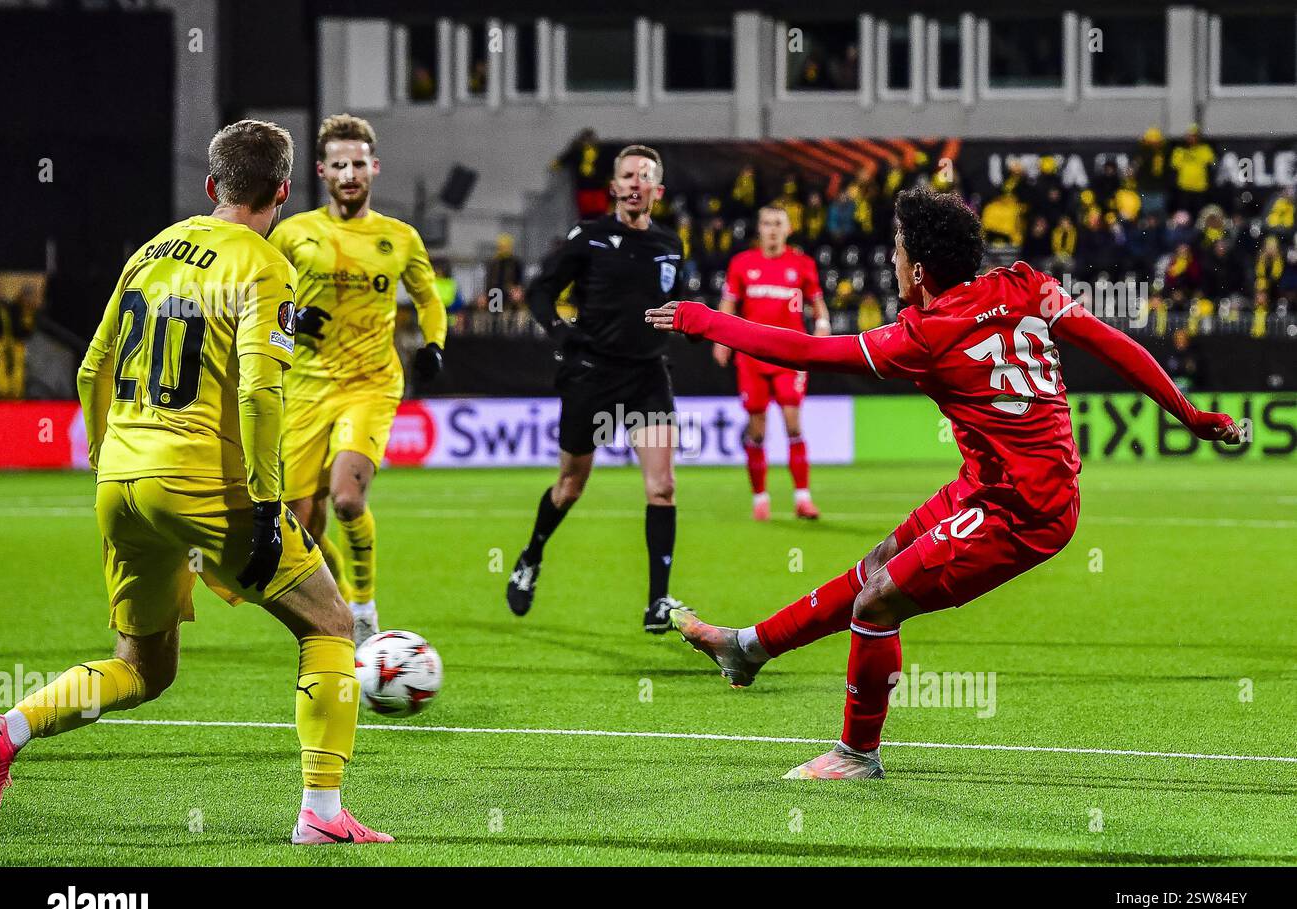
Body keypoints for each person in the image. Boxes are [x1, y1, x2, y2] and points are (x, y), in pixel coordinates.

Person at [645, 187, 1239, 780]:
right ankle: (747, 647)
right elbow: (1116, 345)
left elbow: (802, 350)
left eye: (898, 250)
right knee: (881, 560)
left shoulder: (922, 337)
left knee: (878, 602)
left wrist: (703, 319)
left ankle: (856, 755)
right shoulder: (1024, 285)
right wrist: (1191, 415)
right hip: (988, 483)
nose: (892, 261)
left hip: (1024, 509)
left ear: (919, 269)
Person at [0, 120, 391, 842]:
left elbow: (92, 368)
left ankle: (6, 732)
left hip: (122, 480)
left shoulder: (150, 250)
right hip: (202, 481)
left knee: (143, 670)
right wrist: (269, 507)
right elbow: (260, 395)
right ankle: (322, 815)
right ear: (282, 191)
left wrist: (105, 455)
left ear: (212, 187)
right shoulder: (265, 264)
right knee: (331, 623)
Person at [270, 114, 448, 644]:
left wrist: (434, 345)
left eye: (358, 163)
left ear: (374, 167)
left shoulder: (399, 238)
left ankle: (365, 608)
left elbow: (429, 300)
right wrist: (293, 318)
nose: (350, 173)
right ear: (322, 171)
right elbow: (260, 295)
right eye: (338, 164)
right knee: (303, 526)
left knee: (348, 499)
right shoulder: (292, 234)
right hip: (304, 388)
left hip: (370, 383)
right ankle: (342, 600)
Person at [507, 145, 690, 632]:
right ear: (613, 187)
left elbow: (680, 302)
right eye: (626, 175)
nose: (634, 183)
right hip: (593, 374)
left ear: (657, 190)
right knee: (570, 487)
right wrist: (561, 332)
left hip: (648, 374)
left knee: (663, 487)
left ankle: (658, 601)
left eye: (644, 176)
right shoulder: (588, 237)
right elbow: (541, 290)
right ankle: (531, 556)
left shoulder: (670, 244)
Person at [715, 206, 830, 521]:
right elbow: (728, 304)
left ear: (788, 228)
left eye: (778, 223)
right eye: (766, 223)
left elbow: (818, 305)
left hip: (790, 356)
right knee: (757, 430)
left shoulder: (802, 265)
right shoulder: (742, 264)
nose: (772, 229)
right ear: (759, 228)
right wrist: (720, 337)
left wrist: (822, 327)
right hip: (751, 356)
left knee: (793, 423)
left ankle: (802, 498)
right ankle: (760, 499)